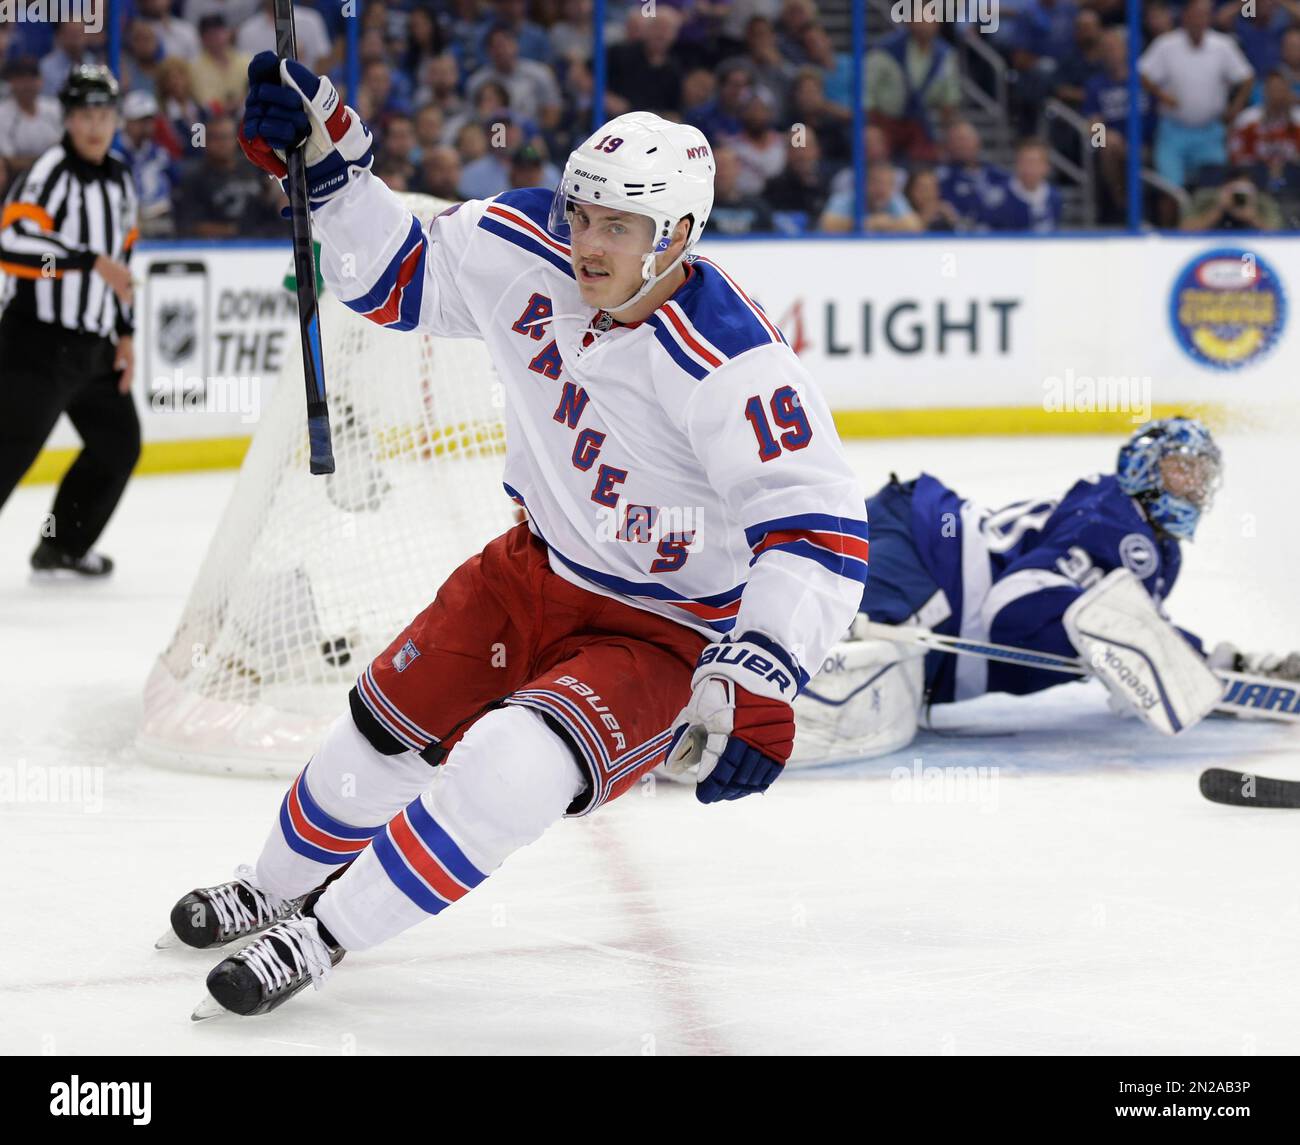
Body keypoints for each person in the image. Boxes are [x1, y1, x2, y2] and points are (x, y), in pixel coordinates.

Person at [167, 55, 867, 1018]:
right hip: (530, 568)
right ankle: (270, 883)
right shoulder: (525, 241)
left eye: (619, 227)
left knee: (509, 765)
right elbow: (397, 275)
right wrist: (324, 170)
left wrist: (760, 677)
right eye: (583, 214)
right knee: (376, 735)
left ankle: (324, 937)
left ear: (680, 236)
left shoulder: (733, 360)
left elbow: (818, 530)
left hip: (660, 629)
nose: (588, 242)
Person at [788, 418, 1300, 765]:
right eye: (1180, 470)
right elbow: (1013, 608)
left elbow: (1114, 631)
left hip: (927, 557)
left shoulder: (1155, 548)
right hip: (925, 555)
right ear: (1145, 469)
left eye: (1201, 477)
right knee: (820, 654)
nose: (1192, 487)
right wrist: (1178, 660)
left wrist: (1192, 662)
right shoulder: (1117, 521)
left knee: (839, 649)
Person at [0, 66, 139, 579]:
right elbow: (11, 243)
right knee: (7, 455)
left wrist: (126, 334)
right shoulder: (49, 173)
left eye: (104, 114)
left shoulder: (122, 176)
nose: (95, 126)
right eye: (85, 115)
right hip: (35, 345)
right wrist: (85, 260)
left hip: (93, 349)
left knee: (118, 445)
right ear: (68, 119)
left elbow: (123, 259)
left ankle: (63, 545)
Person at [1139, 0, 1255, 188]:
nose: (1199, 20)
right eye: (1195, 15)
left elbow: (1247, 77)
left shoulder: (1223, 45)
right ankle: (1170, 219)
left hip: (1209, 132)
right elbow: (1142, 74)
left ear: (1209, 19)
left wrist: (1235, 107)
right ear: (1185, 17)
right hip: (1173, 131)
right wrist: (1161, 95)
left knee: (1213, 189)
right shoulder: (1166, 44)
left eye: (1204, 15)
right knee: (1169, 189)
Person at [0, 57, 63, 173]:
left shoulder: (54, 107)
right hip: (18, 180)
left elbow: (67, 147)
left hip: (57, 174)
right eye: (21, 78)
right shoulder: (2, 114)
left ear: (41, 80)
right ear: (11, 82)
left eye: (32, 77)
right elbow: (10, 161)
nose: (27, 84)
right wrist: (49, 160)